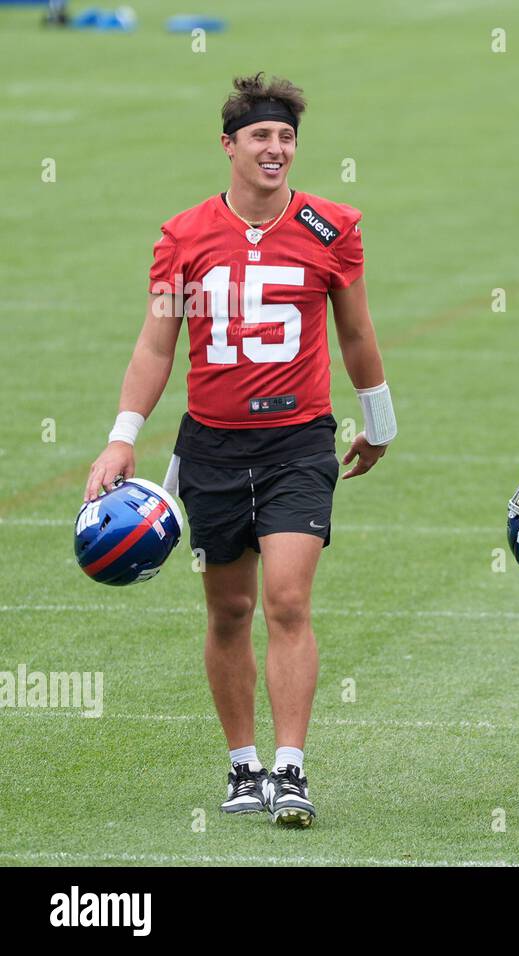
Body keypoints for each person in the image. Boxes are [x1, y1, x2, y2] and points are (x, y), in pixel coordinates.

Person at [82, 73, 398, 827]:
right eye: (260, 135)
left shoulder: (332, 227)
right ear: (229, 145)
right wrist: (122, 438)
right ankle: (242, 766)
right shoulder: (183, 236)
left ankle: (290, 768)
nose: (275, 149)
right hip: (213, 447)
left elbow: (354, 330)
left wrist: (377, 418)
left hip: (298, 441)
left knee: (287, 600)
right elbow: (158, 344)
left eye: (286, 137)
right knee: (229, 610)